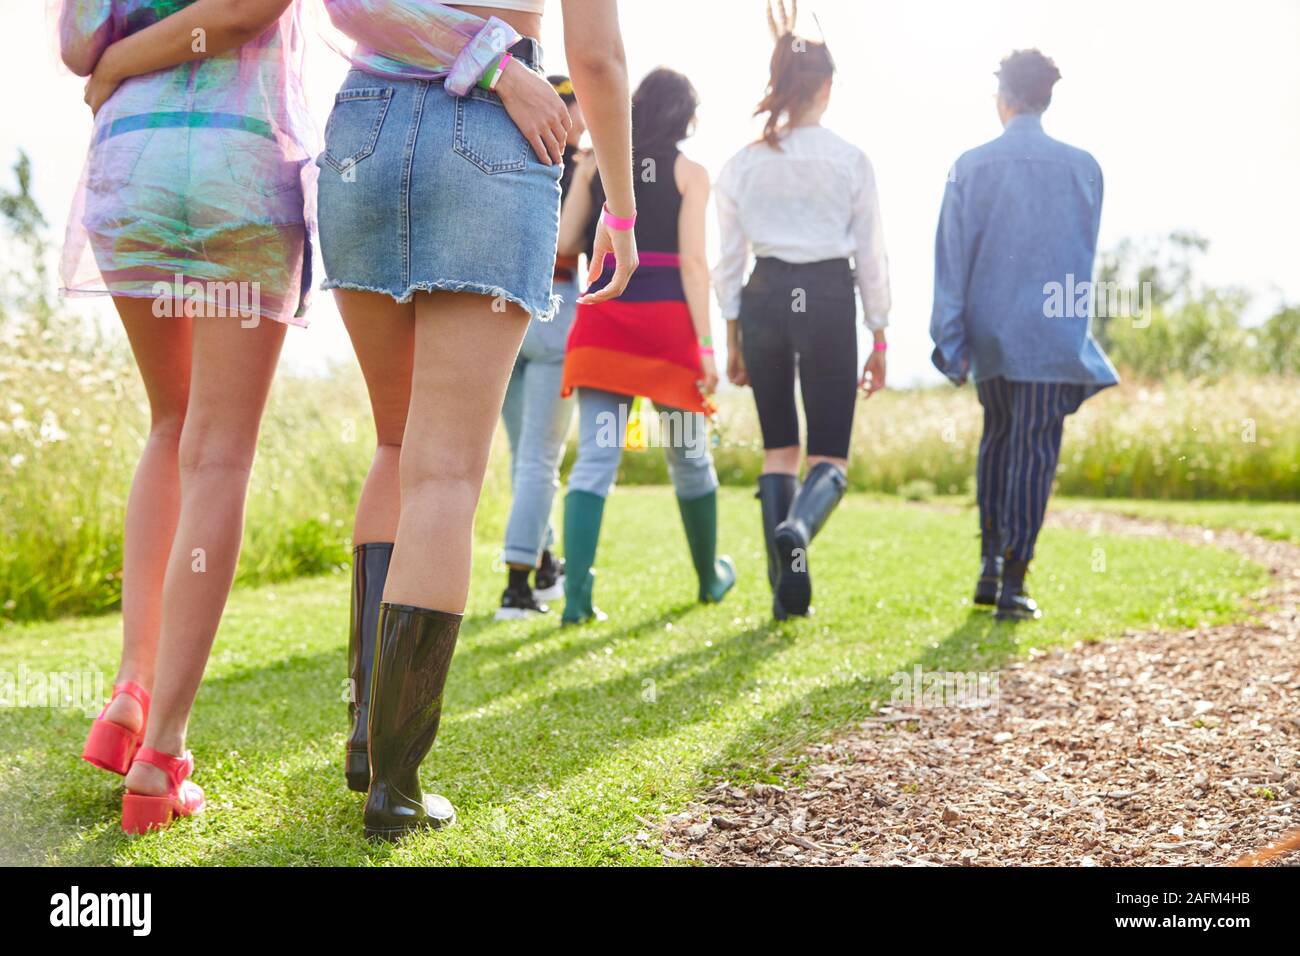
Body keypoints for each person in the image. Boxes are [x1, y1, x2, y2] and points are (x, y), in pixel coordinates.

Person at [317, 0, 635, 839]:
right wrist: (623, 215)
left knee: (396, 443)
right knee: (447, 471)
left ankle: (365, 734)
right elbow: (596, 59)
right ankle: (398, 787)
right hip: (496, 138)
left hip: (365, 130)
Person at [59, 0, 316, 833]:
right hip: (234, 161)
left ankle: (131, 692)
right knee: (217, 452)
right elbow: (244, 12)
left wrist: (119, 64)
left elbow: (77, 46)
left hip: (132, 158)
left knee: (170, 426)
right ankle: (161, 754)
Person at [714, 1, 890, 620]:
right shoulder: (851, 159)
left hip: (763, 296)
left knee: (778, 449)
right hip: (828, 295)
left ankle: (788, 592)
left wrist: (732, 339)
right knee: (830, 456)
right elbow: (871, 254)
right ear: (829, 87)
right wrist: (881, 334)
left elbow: (727, 264)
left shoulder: (741, 163)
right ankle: (798, 533)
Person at [929, 49, 1118, 621]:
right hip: (1051, 335)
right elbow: (1080, 261)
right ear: (1046, 96)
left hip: (990, 335)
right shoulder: (1085, 168)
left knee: (999, 441)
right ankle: (1014, 579)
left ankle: (990, 567)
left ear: (1005, 98)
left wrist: (950, 337)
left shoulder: (970, 165)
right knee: (1033, 451)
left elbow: (950, 259)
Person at [557, 67, 735, 625]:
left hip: (604, 322)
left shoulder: (593, 165)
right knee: (688, 456)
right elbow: (695, 265)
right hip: (666, 335)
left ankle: (575, 600)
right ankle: (709, 579)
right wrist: (706, 348)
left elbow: (564, 242)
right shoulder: (691, 173)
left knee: (594, 461)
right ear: (685, 116)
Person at [494, 74, 588, 621]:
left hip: (500, 310)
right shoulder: (580, 168)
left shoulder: (504, 159)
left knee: (523, 457)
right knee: (538, 460)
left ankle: (546, 560)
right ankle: (516, 588)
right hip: (556, 307)